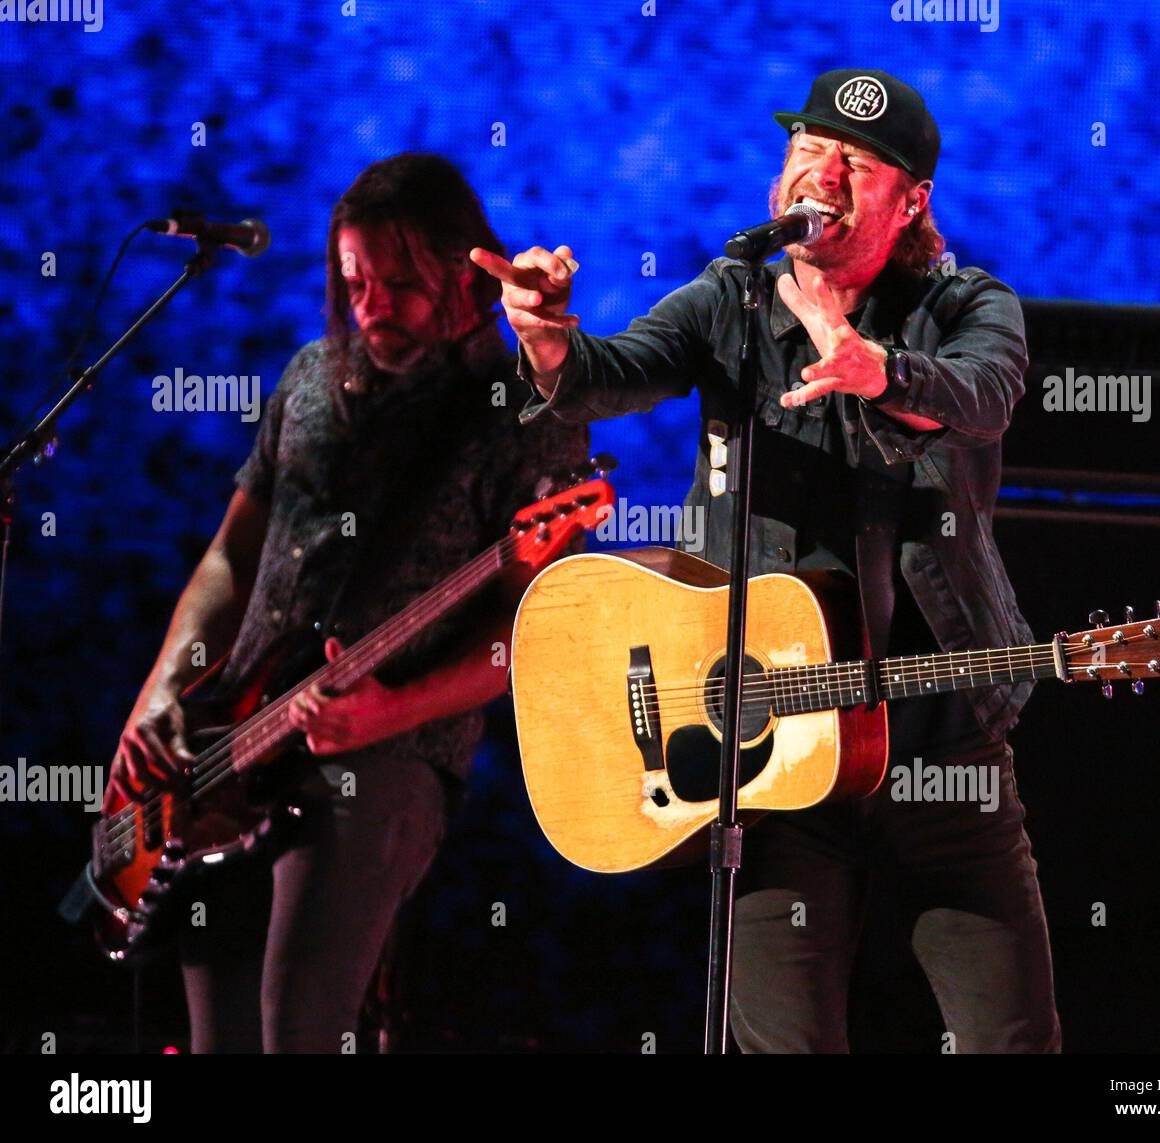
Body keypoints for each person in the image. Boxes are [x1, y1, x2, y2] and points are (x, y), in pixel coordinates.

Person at [471, 69, 1061, 1053]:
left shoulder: (967, 304)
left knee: (1012, 1039)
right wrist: (546, 343)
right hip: (776, 759)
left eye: (856, 163)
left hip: (939, 755)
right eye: (806, 150)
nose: (819, 175)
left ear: (910, 199)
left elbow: (983, 395)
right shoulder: (728, 302)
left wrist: (884, 373)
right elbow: (604, 378)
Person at [107, 152, 589, 1052]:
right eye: (353, 279)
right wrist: (160, 698)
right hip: (228, 744)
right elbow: (230, 555)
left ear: (466, 269)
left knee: (300, 1029)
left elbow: (538, 632)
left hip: (387, 757)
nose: (371, 305)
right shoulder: (306, 379)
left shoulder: (525, 403)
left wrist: (393, 706)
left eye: (401, 283)